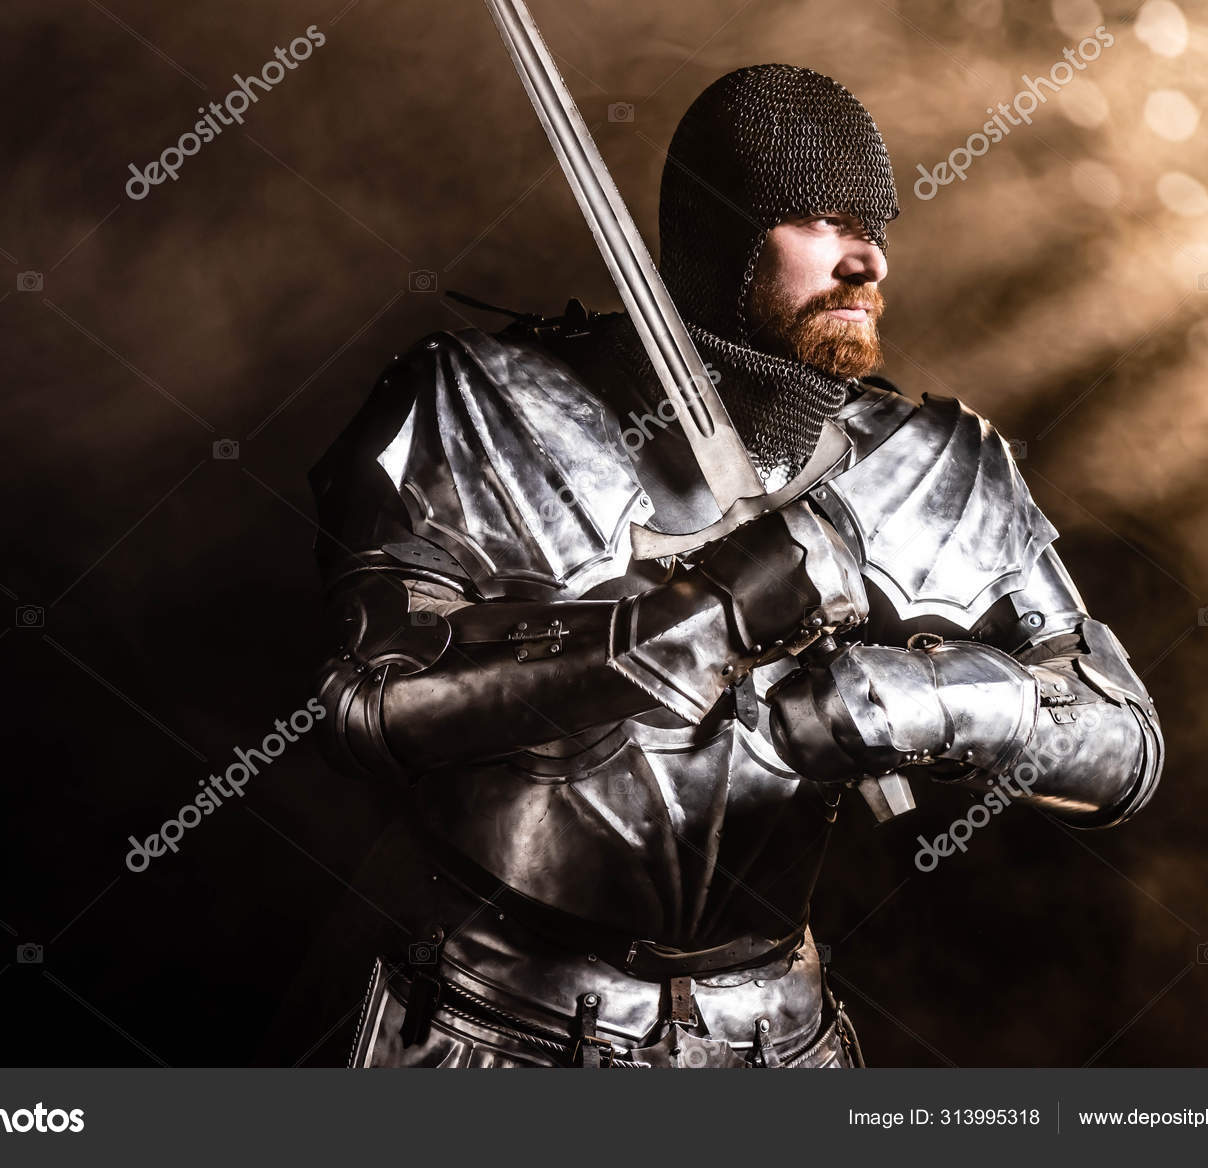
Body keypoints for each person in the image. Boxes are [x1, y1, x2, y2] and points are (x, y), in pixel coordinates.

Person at [308, 65, 1162, 1068]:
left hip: (775, 1042)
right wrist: (687, 625)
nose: (864, 263)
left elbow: (1123, 748)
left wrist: (934, 701)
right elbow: (365, 706)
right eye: (816, 221)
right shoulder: (478, 403)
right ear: (723, 238)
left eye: (874, 229)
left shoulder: (936, 460)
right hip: (500, 1031)